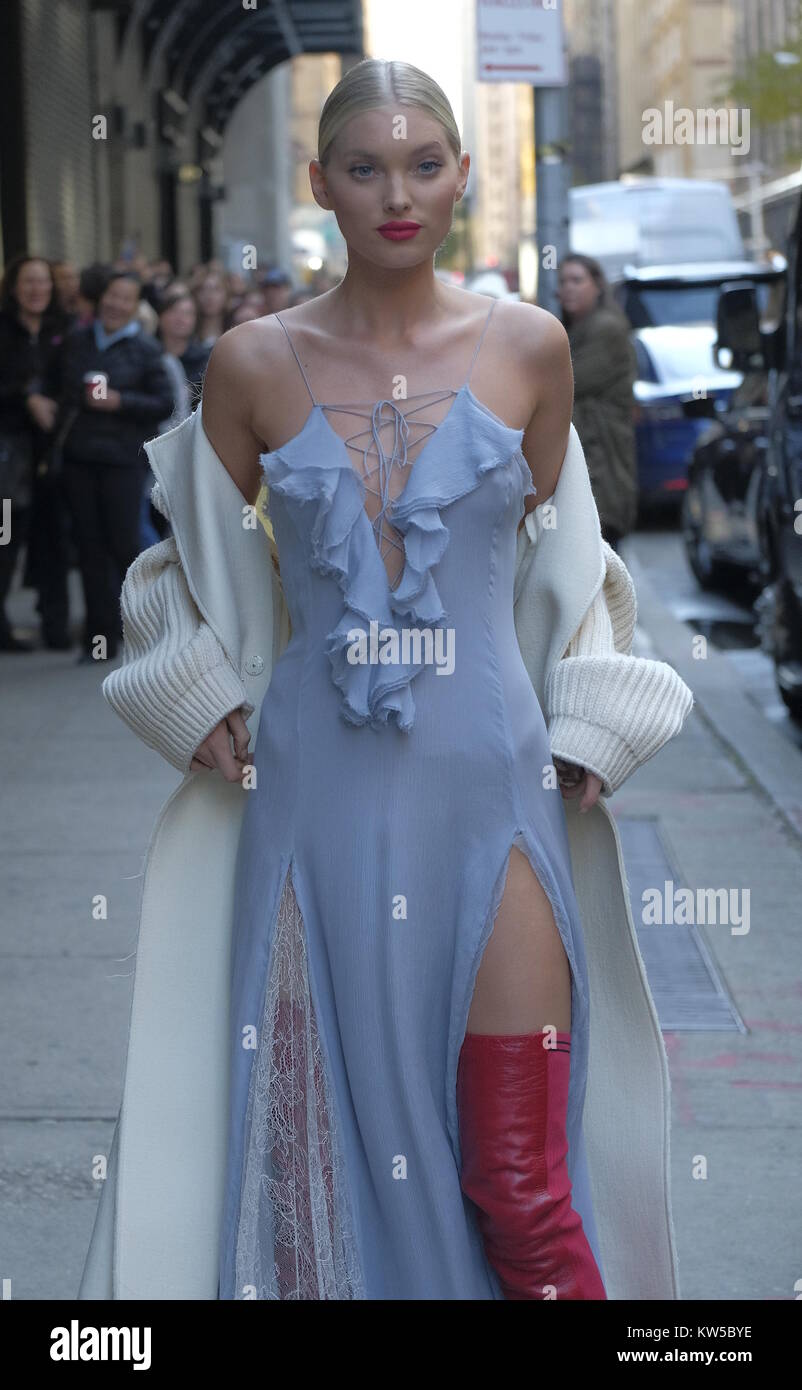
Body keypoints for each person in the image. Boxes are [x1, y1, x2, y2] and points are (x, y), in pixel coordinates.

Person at [79, 59, 693, 1302]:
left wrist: (597, 715)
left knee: (519, 1181)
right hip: (313, 802)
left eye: (422, 166)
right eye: (365, 168)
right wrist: (187, 692)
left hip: (494, 791)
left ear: (461, 179)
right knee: (310, 1182)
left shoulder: (531, 346)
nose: (395, 193)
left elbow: (570, 559)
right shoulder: (249, 362)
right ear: (321, 185)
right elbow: (177, 566)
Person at [43, 270, 173, 662]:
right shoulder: (77, 341)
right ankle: (98, 642)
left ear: (136, 307)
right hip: (80, 457)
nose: (116, 304)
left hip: (122, 461)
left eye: (125, 299)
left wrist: (121, 401)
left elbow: (164, 404)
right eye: (111, 296)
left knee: (124, 546)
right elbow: (52, 385)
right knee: (89, 547)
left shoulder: (146, 349)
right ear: (101, 300)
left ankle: (147, 632)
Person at [0, 255, 71, 651]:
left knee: (52, 540)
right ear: (13, 288)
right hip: (9, 456)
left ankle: (56, 625)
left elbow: (75, 381)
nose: (36, 290)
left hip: (52, 453)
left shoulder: (63, 330)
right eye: (28, 282)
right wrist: (26, 398)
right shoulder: (3, 329)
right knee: (5, 540)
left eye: (42, 282)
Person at [556, 254, 639, 552]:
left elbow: (564, 385)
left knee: (602, 578)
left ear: (598, 286)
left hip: (603, 468)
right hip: (590, 468)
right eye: (563, 281)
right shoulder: (574, 330)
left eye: (577, 280)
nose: (568, 288)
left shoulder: (606, 329)